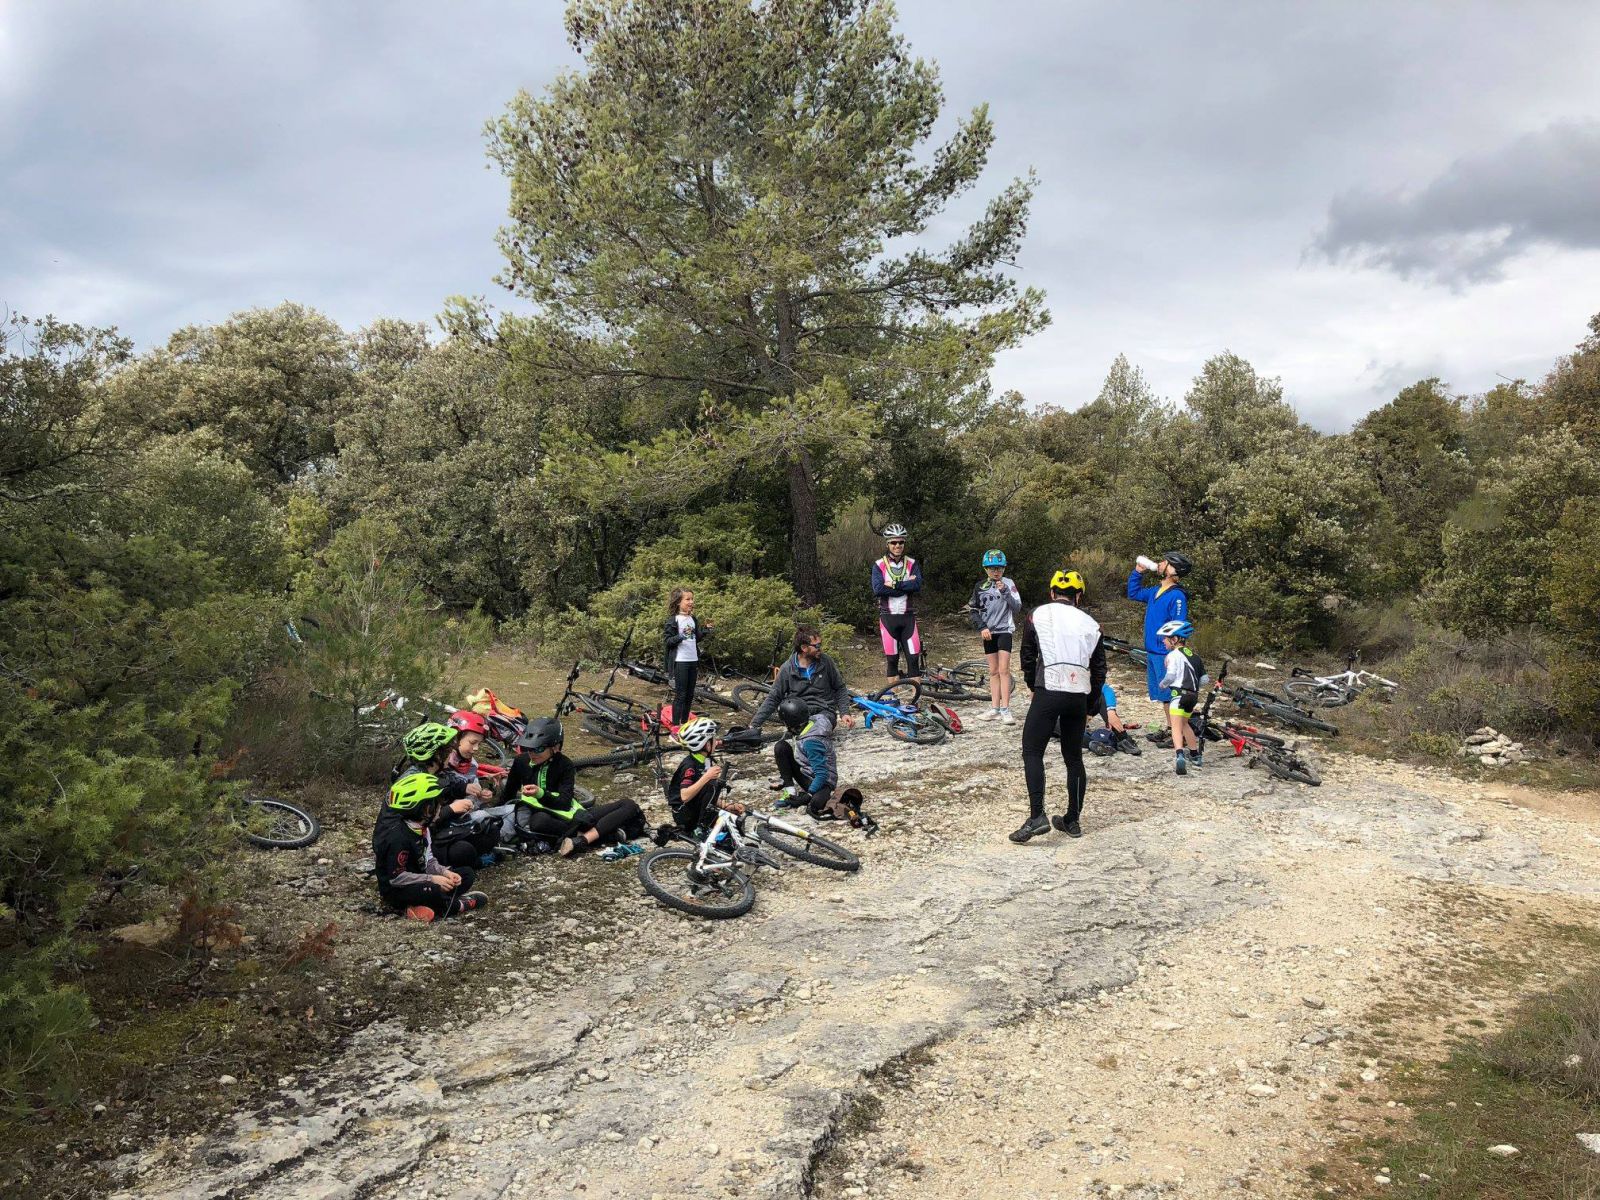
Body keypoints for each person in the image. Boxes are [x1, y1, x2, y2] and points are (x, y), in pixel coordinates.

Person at [1011, 570, 1106, 844]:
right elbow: (1099, 669)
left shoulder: (1037, 614)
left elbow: (1027, 655)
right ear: (1079, 596)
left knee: (1032, 751)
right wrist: (1090, 705)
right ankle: (1072, 819)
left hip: (1048, 688)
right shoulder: (1092, 623)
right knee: (1074, 757)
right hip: (1078, 694)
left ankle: (1037, 815)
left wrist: (1032, 684)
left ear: (1052, 593)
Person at [503, 717, 647, 857]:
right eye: (528, 748)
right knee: (539, 821)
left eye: (539, 748)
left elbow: (565, 803)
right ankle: (603, 835)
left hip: (573, 815)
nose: (532, 753)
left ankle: (583, 840)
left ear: (556, 747)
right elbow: (507, 794)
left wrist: (540, 793)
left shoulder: (565, 765)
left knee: (629, 804)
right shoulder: (521, 762)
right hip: (548, 821)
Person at [372, 771, 488, 922]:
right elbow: (397, 878)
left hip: (421, 879)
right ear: (427, 809)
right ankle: (457, 905)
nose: (441, 808)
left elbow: (429, 860)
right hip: (398, 889)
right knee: (433, 890)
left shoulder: (423, 829)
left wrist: (444, 873)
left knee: (466, 873)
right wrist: (433, 879)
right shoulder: (398, 837)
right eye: (438, 804)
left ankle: (421, 907)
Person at [750, 626, 857, 737]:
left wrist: (844, 713)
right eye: (817, 646)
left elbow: (839, 688)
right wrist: (754, 725)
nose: (820, 648)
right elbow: (774, 697)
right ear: (804, 648)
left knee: (818, 728)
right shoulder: (787, 668)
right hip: (798, 716)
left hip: (824, 712)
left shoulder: (826, 662)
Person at [1127, 551, 1192, 709]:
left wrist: (1173, 650)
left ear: (1172, 570)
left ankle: (1176, 730)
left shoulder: (1177, 596)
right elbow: (1133, 593)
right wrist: (1137, 572)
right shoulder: (1155, 591)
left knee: (1171, 696)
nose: (1160, 564)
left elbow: (1179, 624)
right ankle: (1171, 729)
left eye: (1165, 562)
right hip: (1152, 650)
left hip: (1165, 652)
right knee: (1163, 695)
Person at [968, 549, 1023, 724]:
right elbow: (973, 610)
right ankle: (995, 708)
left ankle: (1006, 709)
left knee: (1004, 669)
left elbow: (1017, 608)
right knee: (992, 671)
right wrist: (981, 627)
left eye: (999, 568)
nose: (995, 571)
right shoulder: (980, 586)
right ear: (986, 569)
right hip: (988, 633)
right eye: (992, 568)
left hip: (1005, 631)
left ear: (1004, 568)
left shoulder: (1009, 583)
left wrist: (1005, 591)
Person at [664, 716, 735, 835]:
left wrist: (726, 805)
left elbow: (704, 795)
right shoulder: (689, 765)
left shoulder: (705, 760)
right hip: (683, 814)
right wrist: (706, 777)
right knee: (710, 784)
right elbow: (685, 796)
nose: (716, 742)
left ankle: (707, 824)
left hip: (694, 809)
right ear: (707, 745)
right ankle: (700, 829)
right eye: (713, 739)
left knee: (733, 822)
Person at [871, 524, 923, 685]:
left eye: (901, 542)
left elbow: (917, 586)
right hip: (888, 619)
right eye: (894, 543)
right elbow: (878, 589)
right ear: (888, 544)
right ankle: (895, 700)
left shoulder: (912, 563)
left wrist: (892, 584)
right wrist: (905, 585)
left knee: (913, 660)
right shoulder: (879, 564)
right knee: (892, 661)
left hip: (908, 619)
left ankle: (915, 702)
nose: (897, 546)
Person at [771, 696, 839, 818]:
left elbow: (822, 774)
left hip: (823, 781)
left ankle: (811, 794)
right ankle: (790, 789)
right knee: (781, 747)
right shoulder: (812, 722)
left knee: (815, 804)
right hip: (807, 771)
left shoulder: (811, 742)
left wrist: (808, 794)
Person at [1157, 619, 1206, 775]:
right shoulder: (1196, 656)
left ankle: (1179, 756)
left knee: (1176, 727)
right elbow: (1204, 680)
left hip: (1178, 695)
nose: (1164, 641)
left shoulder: (1173, 655)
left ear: (1175, 639)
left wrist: (1163, 684)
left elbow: (1171, 676)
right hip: (1193, 696)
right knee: (1185, 724)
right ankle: (1195, 755)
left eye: (1166, 638)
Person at [662, 587, 712, 727]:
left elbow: (696, 638)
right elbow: (668, 641)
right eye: (687, 599)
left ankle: (684, 723)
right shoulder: (673, 620)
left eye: (692, 599)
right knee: (681, 694)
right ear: (678, 602)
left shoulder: (693, 619)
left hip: (693, 660)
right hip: (680, 661)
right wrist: (681, 636)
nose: (691, 602)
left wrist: (706, 630)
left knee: (690, 694)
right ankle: (675, 725)